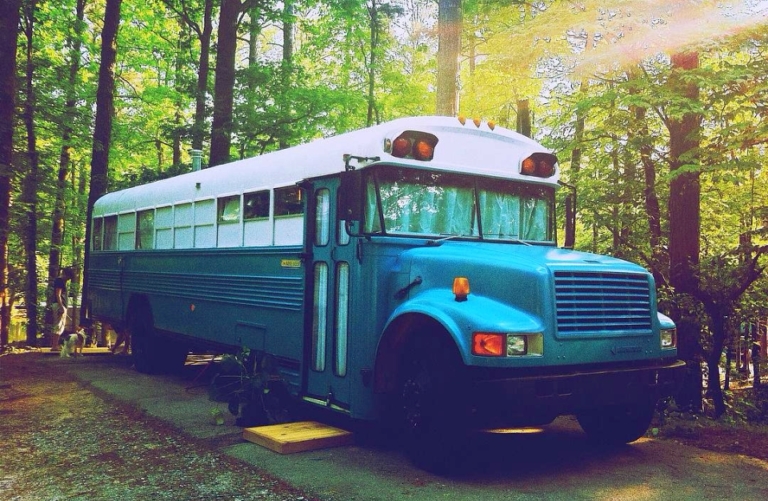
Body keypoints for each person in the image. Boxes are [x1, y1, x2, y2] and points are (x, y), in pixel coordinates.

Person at [51, 267, 76, 350]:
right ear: (65, 274)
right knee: (58, 325)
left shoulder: (61, 281)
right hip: (59, 306)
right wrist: (61, 306)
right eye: (68, 277)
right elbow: (58, 295)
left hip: (61, 305)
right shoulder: (59, 281)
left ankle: (55, 345)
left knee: (60, 325)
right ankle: (54, 346)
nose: (68, 279)